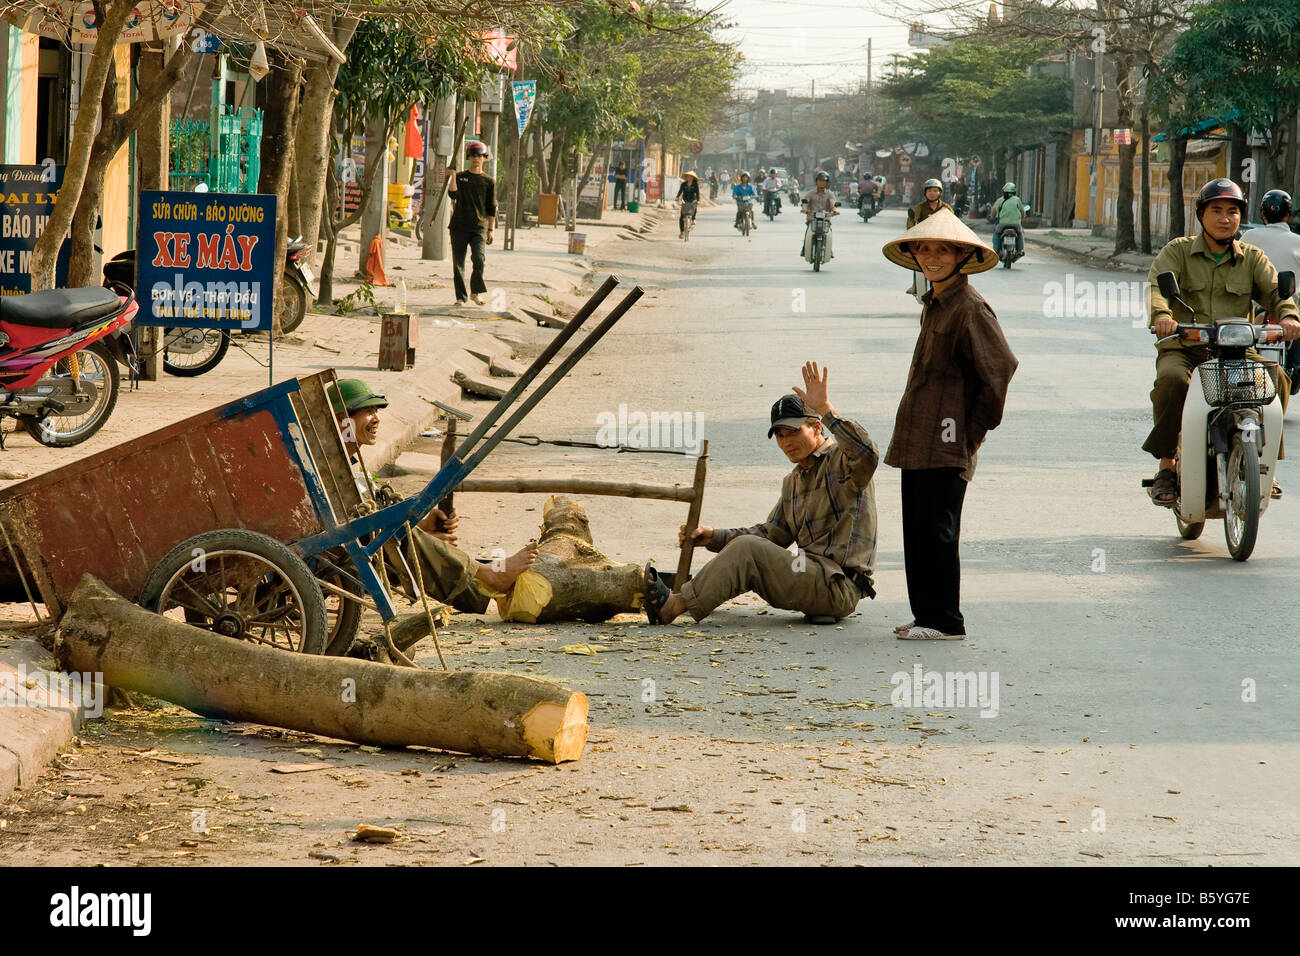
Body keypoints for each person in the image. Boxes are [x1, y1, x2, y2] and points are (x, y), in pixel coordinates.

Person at [643, 362, 878, 625]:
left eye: (793, 431)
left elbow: (867, 453)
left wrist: (826, 410)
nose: (786, 442)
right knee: (749, 547)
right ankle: (687, 595)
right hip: (806, 574)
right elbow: (770, 534)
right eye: (779, 435)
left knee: (748, 550)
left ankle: (674, 606)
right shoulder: (793, 481)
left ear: (816, 427)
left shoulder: (842, 461)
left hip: (838, 585)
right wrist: (714, 537)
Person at [880, 210, 1018, 640]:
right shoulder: (935, 303)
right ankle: (925, 617)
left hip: (946, 439)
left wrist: (973, 432)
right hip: (916, 435)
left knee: (938, 532)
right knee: (916, 529)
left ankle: (945, 621)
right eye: (924, 249)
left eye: (942, 250)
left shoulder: (970, 307)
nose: (931, 257)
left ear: (961, 256)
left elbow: (1000, 369)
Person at [1145, 178, 1300, 505]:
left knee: (1278, 380)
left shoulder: (1252, 258)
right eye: (1216, 210)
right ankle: (1167, 465)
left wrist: (1289, 317)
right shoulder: (1178, 251)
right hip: (1184, 347)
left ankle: (1263, 465)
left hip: (1236, 348)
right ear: (1201, 214)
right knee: (1172, 382)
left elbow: (1276, 293)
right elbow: (1157, 290)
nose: (1225, 218)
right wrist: (1161, 316)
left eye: (1232, 211)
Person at [331, 378, 539, 615]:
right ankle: (488, 575)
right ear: (341, 421)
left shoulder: (343, 462)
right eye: (368, 412)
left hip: (358, 541)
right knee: (403, 536)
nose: (377, 419)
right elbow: (357, 521)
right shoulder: (330, 465)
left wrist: (423, 525)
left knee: (410, 533)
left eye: (376, 411)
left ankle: (485, 582)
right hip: (349, 548)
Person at [446, 141, 496, 307]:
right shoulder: (461, 177)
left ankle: (475, 292)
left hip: (479, 228)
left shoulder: (489, 181)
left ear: (484, 159)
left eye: (480, 156)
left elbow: (491, 207)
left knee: (479, 258)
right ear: (469, 158)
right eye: (473, 155)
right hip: (459, 227)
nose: (476, 159)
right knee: (458, 263)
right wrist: (453, 175)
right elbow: (453, 195)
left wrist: (491, 229)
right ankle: (461, 297)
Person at [906, 178, 955, 294]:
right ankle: (916, 285)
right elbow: (912, 222)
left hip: (942, 242)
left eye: (935, 191)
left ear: (940, 193)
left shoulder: (946, 208)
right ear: (925, 193)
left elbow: (954, 223)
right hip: (925, 242)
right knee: (917, 260)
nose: (932, 193)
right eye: (929, 191)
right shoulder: (920, 208)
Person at [800, 171, 837, 262]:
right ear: (816, 181)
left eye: (824, 181)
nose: (822, 183)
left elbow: (832, 204)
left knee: (829, 233)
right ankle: (805, 248)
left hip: (825, 220)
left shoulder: (830, 194)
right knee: (808, 233)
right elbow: (805, 203)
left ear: (827, 182)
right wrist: (804, 209)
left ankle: (829, 249)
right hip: (812, 219)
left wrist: (834, 210)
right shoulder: (810, 193)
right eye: (820, 180)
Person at [992, 182, 1026, 262]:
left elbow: (993, 210)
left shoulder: (1000, 200)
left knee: (996, 233)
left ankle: (996, 250)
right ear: (1014, 192)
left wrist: (993, 217)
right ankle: (1020, 250)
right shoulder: (1017, 200)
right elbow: (1022, 211)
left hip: (1002, 224)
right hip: (1016, 224)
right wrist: (1023, 217)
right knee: (1020, 233)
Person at [676, 170, 700, 237]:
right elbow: (680, 191)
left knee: (695, 206)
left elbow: (697, 193)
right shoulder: (683, 184)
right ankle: (682, 232)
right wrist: (677, 197)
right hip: (685, 200)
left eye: (690, 177)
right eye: (687, 177)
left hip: (692, 199)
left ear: (692, 177)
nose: (689, 178)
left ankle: (693, 219)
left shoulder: (695, 185)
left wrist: (698, 200)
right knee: (682, 216)